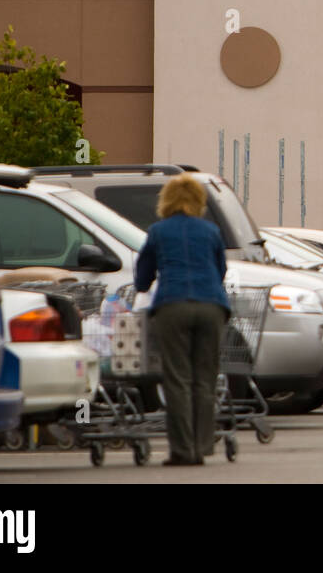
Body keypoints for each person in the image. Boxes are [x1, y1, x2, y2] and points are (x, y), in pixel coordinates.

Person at [134, 174, 230, 466]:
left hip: (172, 306)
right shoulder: (211, 231)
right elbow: (220, 270)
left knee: (177, 380)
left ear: (167, 200)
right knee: (205, 379)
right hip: (212, 306)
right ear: (198, 201)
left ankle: (182, 450)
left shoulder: (158, 232)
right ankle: (202, 447)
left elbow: (142, 279)